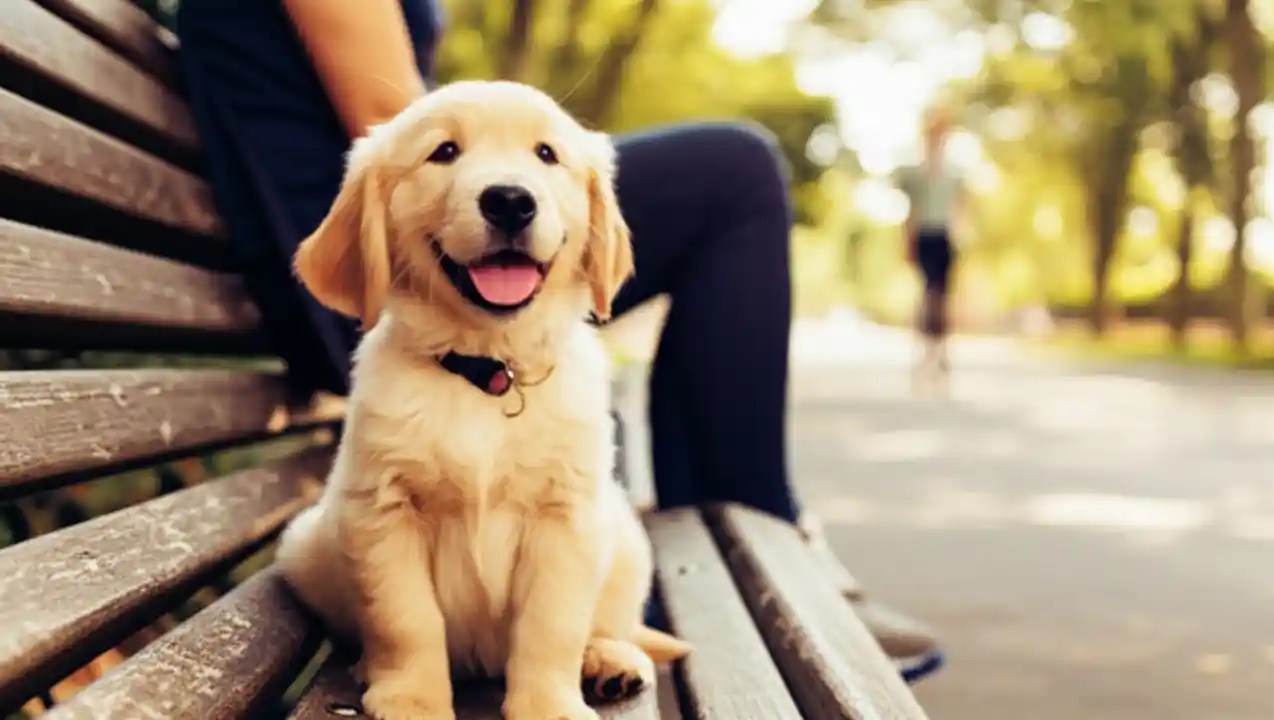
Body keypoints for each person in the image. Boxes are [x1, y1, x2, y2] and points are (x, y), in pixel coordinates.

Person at [175, 0, 940, 675]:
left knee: (569, 462)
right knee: (732, 173)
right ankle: (759, 541)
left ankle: (715, 555)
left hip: (392, 253)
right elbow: (399, 123)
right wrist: (517, 161)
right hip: (358, 257)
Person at [897, 107, 966, 391]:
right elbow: (910, 211)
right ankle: (922, 353)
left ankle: (940, 354)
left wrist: (961, 234)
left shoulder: (954, 173)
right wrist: (906, 241)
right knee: (928, 292)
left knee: (942, 295)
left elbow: (961, 207)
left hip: (945, 235)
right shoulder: (916, 172)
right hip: (924, 235)